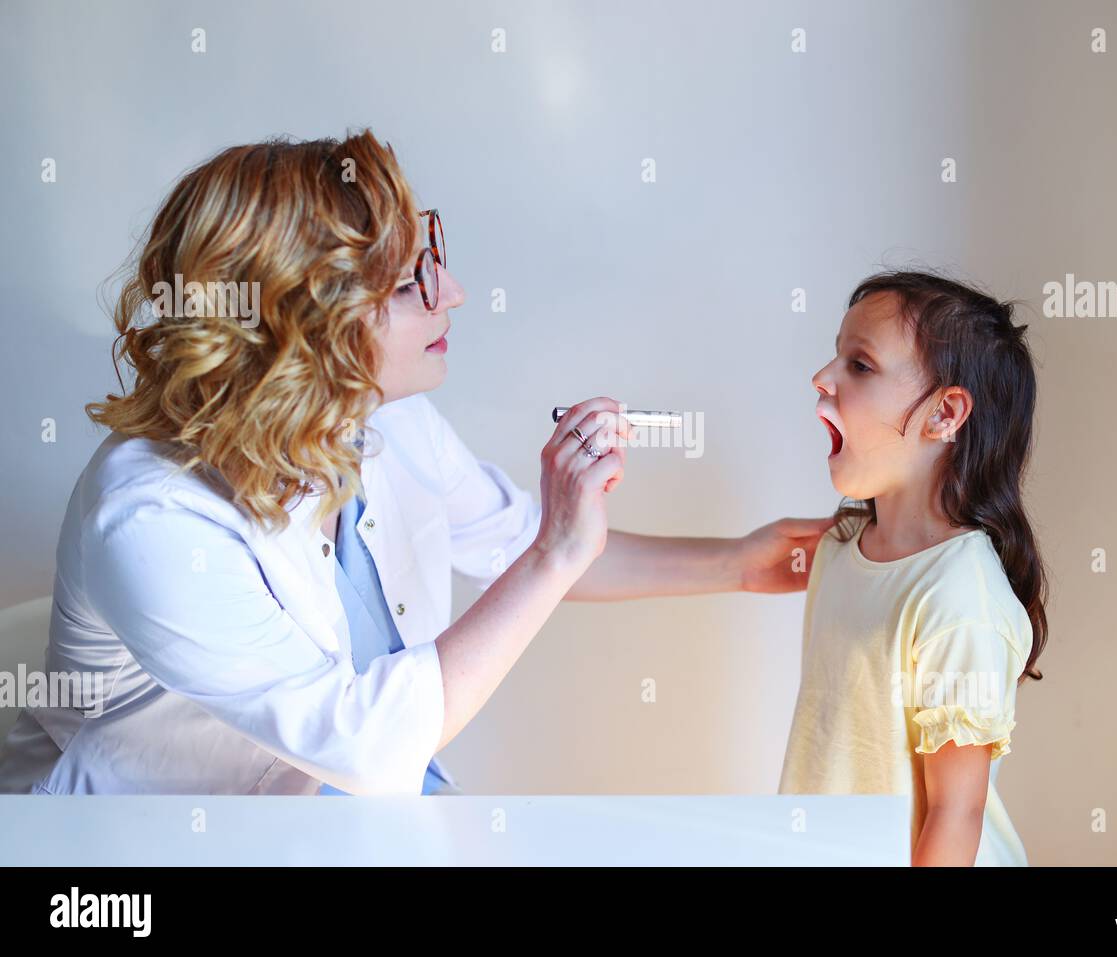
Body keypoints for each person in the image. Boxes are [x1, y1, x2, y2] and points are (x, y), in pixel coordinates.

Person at [0, 129, 833, 795]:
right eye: (409, 286)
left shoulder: (388, 423)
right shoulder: (151, 517)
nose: (454, 293)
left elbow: (519, 544)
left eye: (431, 259)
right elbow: (362, 742)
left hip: (340, 810)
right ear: (300, 324)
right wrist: (555, 553)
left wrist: (745, 561)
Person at [777, 271, 1049, 865]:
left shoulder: (959, 596)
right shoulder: (840, 551)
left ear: (945, 413)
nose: (822, 378)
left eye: (860, 365)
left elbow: (957, 811)